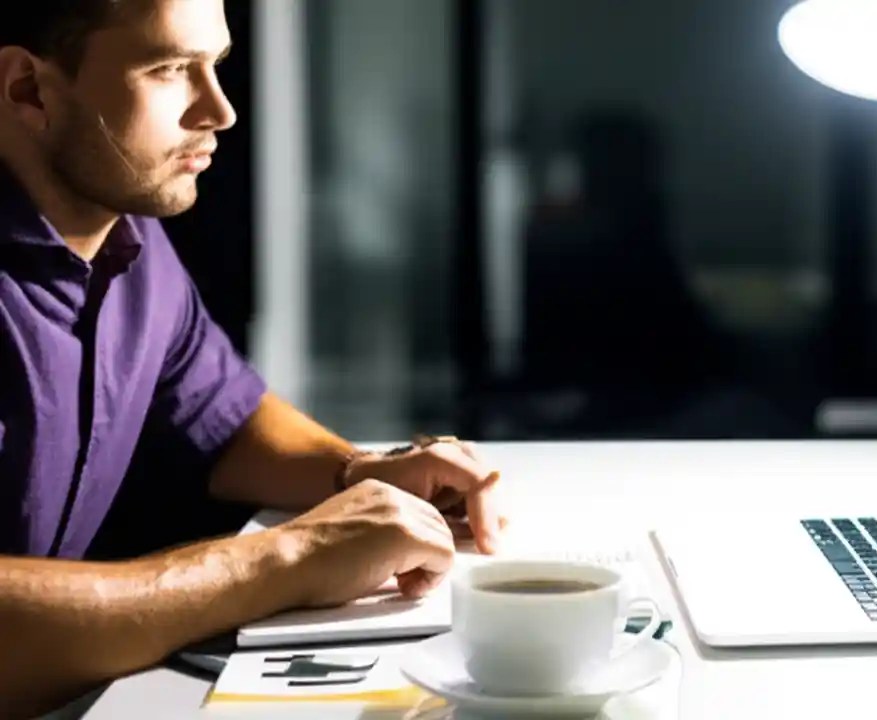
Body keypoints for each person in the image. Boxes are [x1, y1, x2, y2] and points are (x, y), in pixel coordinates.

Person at [0, 2, 506, 716]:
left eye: (217, 65)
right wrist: (287, 560)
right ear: (29, 88)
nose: (221, 110)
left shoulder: (128, 240)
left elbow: (222, 421)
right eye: (171, 69)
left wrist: (358, 472)